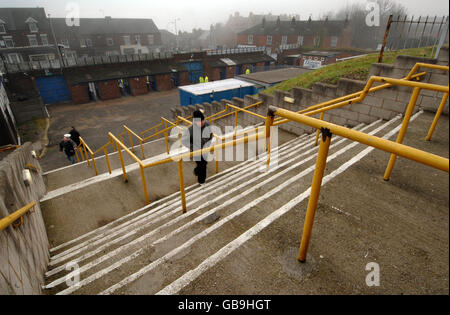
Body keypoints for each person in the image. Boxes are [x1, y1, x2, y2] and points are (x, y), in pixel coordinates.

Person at [181, 110, 213, 185]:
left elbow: (211, 134)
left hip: (205, 149)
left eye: (203, 120)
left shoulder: (207, 124)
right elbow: (184, 141)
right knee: (202, 166)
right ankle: (201, 182)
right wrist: (192, 147)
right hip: (196, 152)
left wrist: (208, 143)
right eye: (200, 122)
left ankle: (196, 171)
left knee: (204, 164)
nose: (202, 123)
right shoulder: (190, 129)